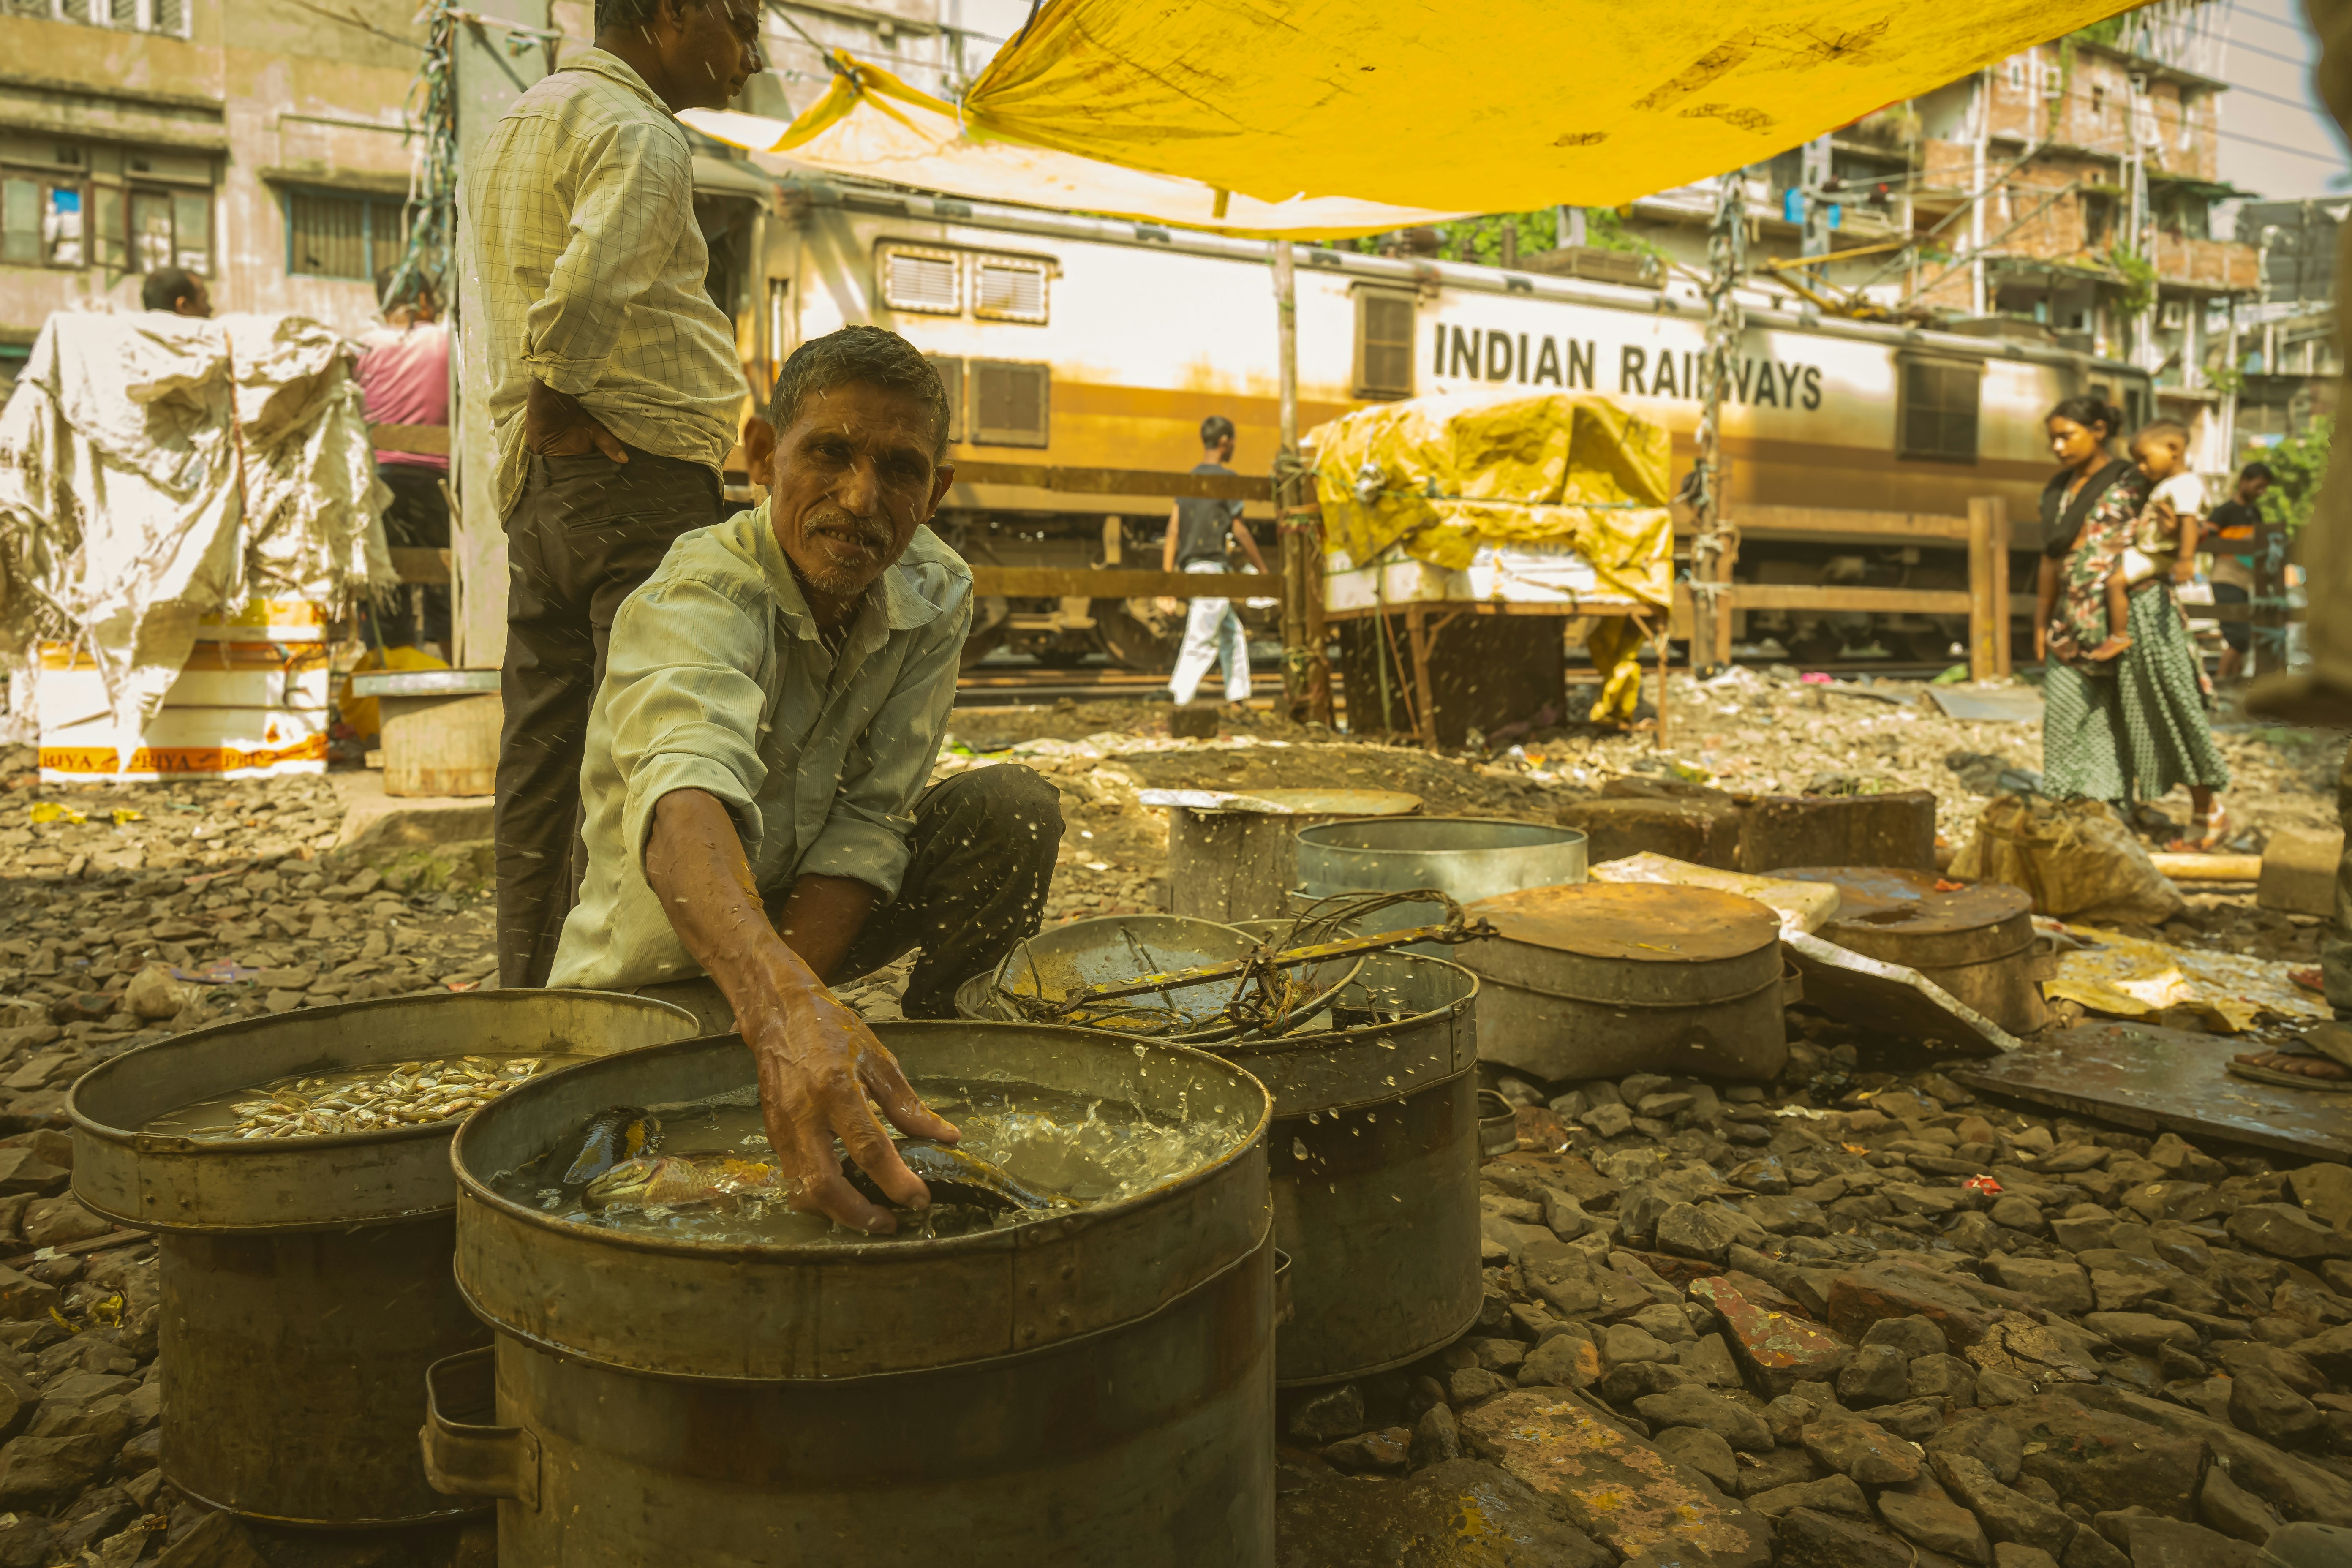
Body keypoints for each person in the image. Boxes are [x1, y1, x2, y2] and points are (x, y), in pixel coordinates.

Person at [547, 325, 1062, 1233]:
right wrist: (777, 1012)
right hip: (656, 984)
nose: (862, 499)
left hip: (800, 943)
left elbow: (872, 818)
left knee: (1010, 810)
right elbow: (683, 800)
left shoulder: (936, 589)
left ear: (935, 492)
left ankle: (929, 1084)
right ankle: (792, 1046)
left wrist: (795, 1009)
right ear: (761, 457)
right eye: (829, 453)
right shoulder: (701, 595)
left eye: (900, 469)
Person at [468, 0, 765, 987]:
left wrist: (539, 417)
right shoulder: (641, 132)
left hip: (542, 486)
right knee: (647, 744)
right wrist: (558, 389)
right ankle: (618, 999)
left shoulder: (522, 117)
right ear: (675, 15)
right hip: (632, 473)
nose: (750, 55)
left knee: (543, 744)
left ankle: (524, 990)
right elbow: (589, 283)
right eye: (743, 23)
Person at [2034, 395, 2231, 844]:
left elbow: (2188, 516)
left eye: (2068, 436)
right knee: (2071, 712)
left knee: (2162, 708)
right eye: (2054, 439)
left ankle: (2209, 808)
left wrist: (2187, 541)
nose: (2059, 447)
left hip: (2138, 610)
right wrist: (2039, 619)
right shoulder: (2056, 490)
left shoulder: (2135, 476)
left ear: (2099, 430)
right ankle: (2085, 809)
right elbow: (2051, 556)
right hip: (2075, 618)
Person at [353, 271, 452, 651]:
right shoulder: (447, 342)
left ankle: (391, 662)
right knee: (443, 576)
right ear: (425, 301)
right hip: (438, 478)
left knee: (386, 572)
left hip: (380, 480)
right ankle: (451, 661)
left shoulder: (363, 346)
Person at [1161, 415, 1269, 707]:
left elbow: (1173, 532)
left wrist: (1168, 581)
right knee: (1202, 638)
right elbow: (1240, 530)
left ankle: (1238, 697)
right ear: (1224, 442)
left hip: (1193, 568)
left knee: (1231, 634)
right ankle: (1176, 698)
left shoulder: (1189, 481)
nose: (1234, 447)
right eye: (1233, 442)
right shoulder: (1227, 480)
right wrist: (1263, 569)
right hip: (1213, 569)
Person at [2087, 419, 2202, 663]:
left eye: (2145, 458)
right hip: (2148, 551)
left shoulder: (2186, 484)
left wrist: (2186, 560)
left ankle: (2119, 636)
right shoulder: (2170, 484)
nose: (2141, 467)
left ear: (2174, 449)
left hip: (2155, 555)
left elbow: (2189, 523)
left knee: (2113, 581)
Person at [2202, 461, 2274, 685]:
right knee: (2238, 637)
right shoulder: (2224, 511)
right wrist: (2235, 543)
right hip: (2226, 578)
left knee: (2245, 638)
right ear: (2244, 482)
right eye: (2258, 486)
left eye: (2265, 488)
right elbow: (2207, 538)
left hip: (2246, 581)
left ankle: (2233, 683)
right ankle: (2221, 684)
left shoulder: (2255, 513)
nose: (2261, 493)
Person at [139, 267, 209, 318]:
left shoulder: (135, 333)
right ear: (184, 306)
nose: (211, 308)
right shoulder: (207, 335)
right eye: (204, 300)